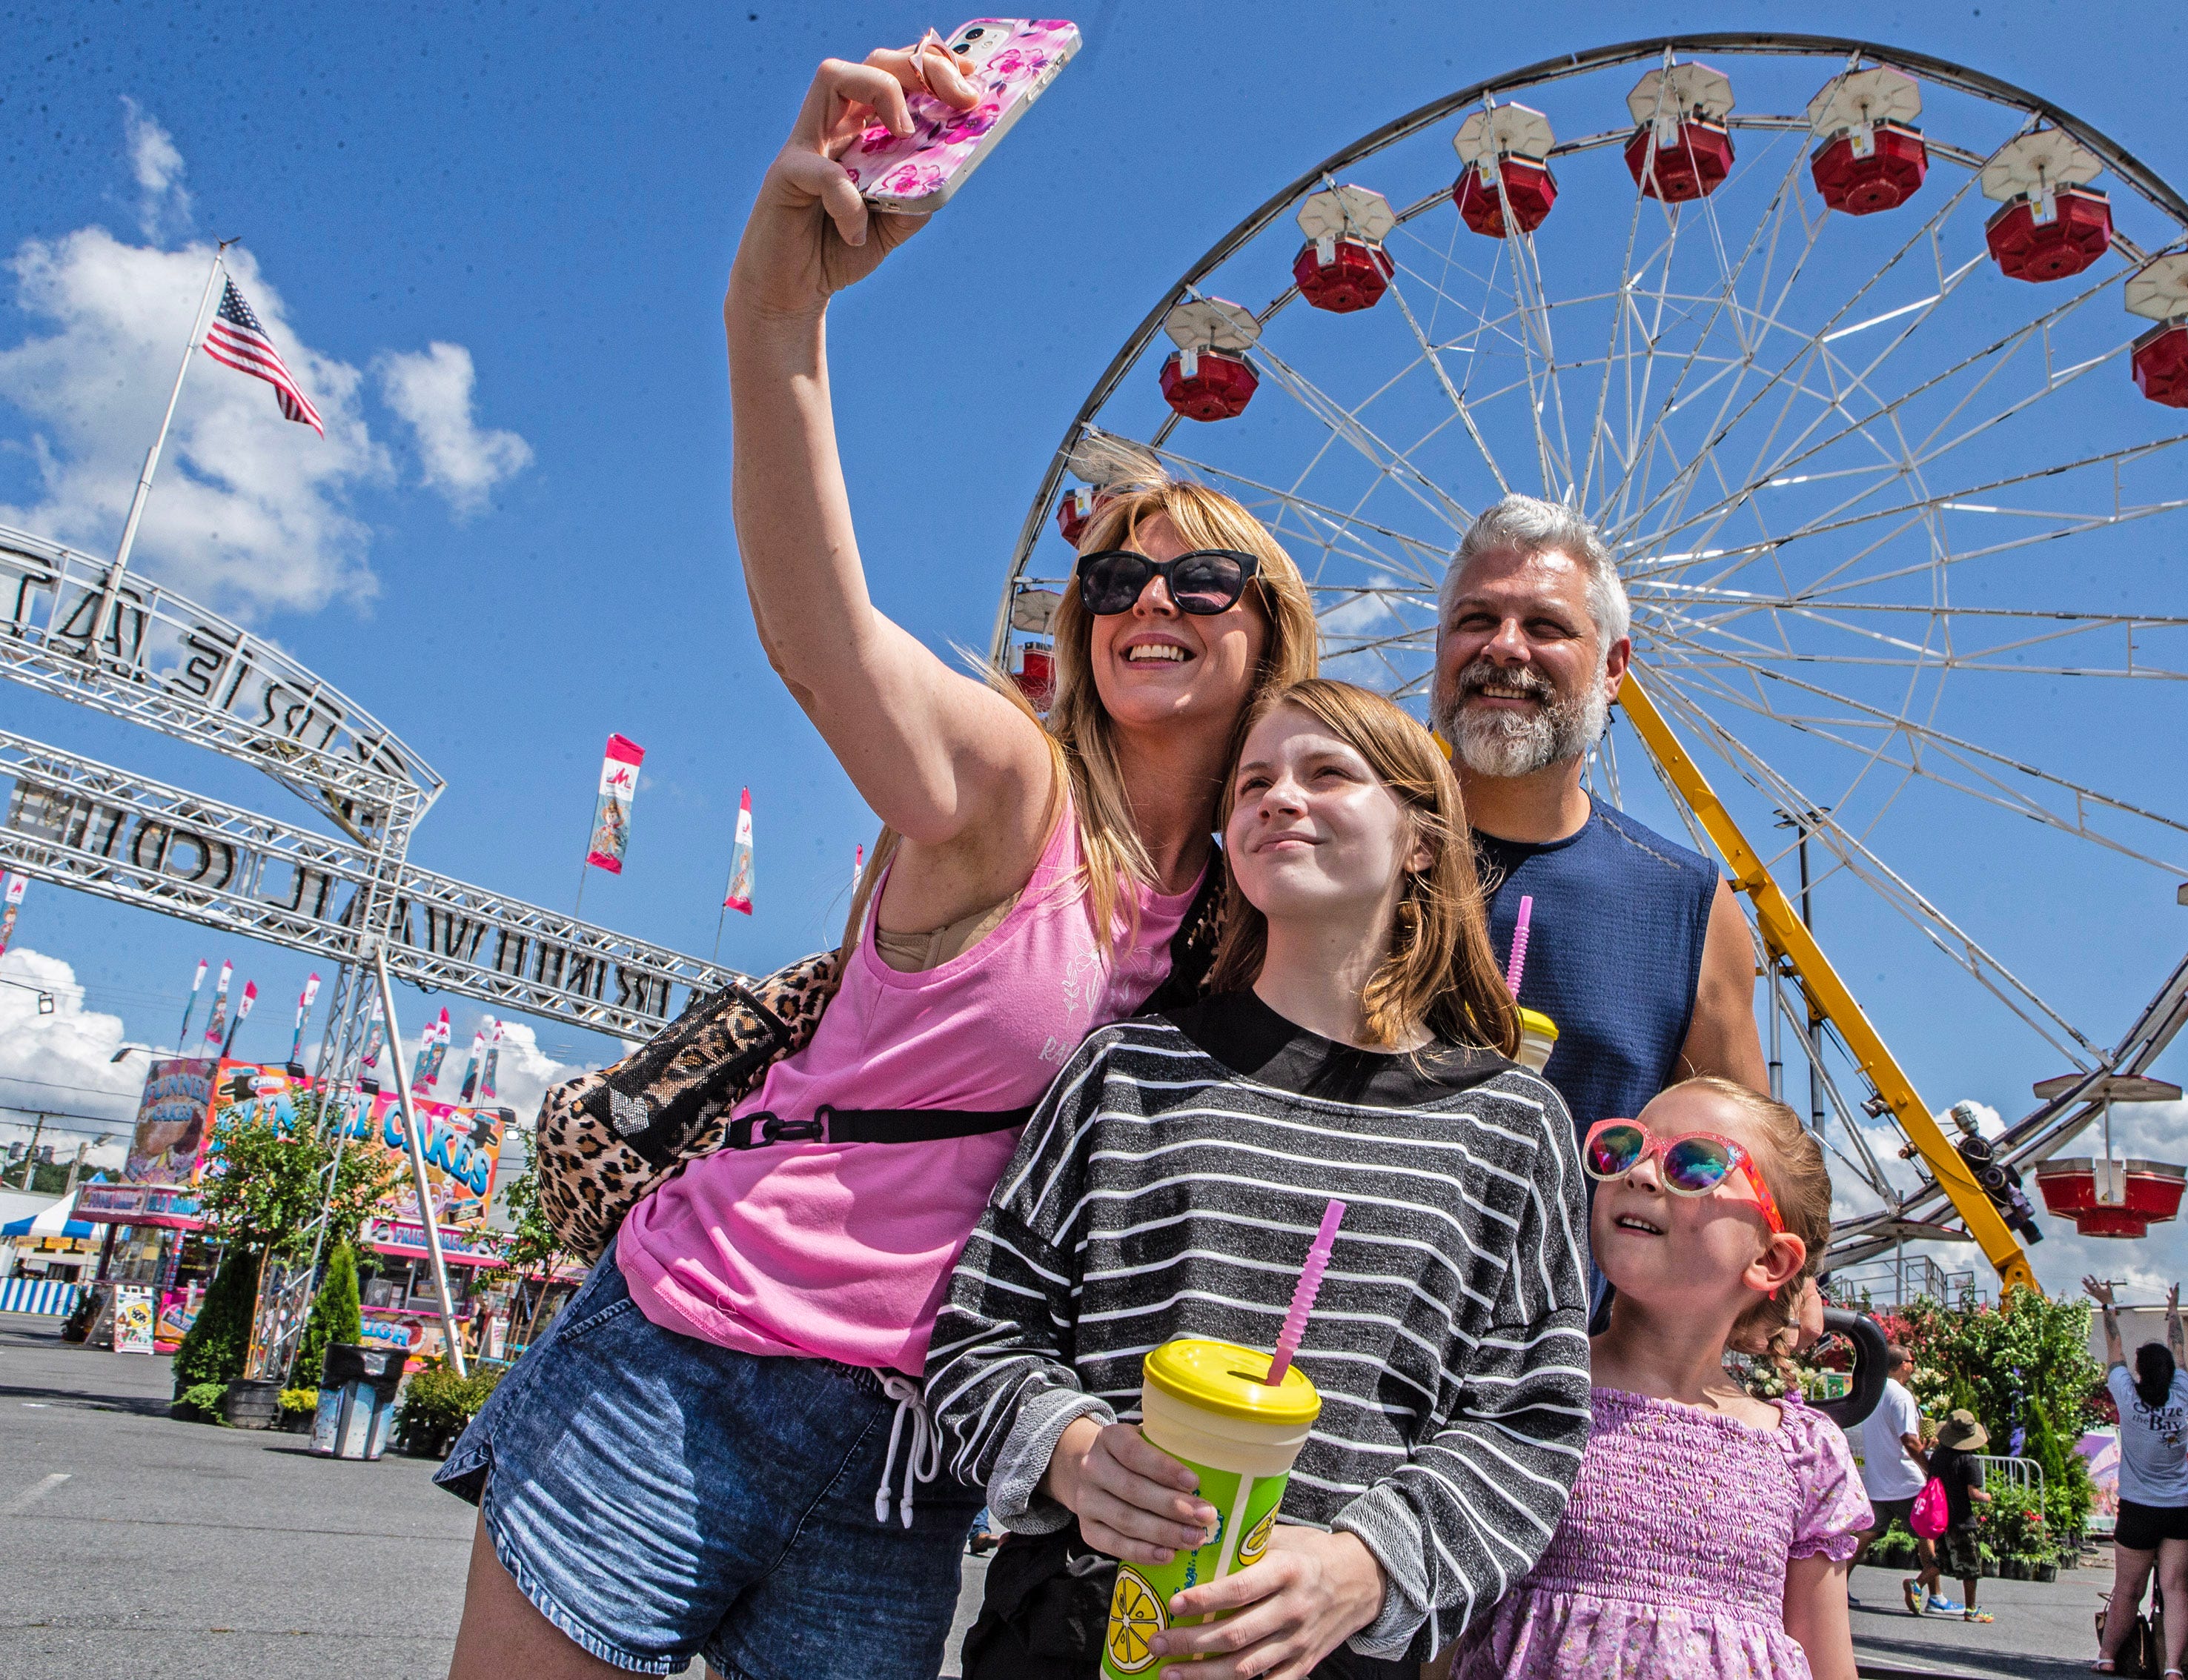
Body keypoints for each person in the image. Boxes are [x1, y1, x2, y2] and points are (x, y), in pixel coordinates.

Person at [436, 43, 1319, 1680]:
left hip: (916, 1455)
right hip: (687, 1359)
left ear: (1271, 628)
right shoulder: (1004, 785)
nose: (1148, 597)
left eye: (1203, 578)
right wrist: (776, 319)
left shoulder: (1250, 918)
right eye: (1111, 573)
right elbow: (819, 637)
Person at [928, 678, 1592, 1679]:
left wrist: (1366, 1564)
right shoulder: (1127, 1072)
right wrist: (1073, 1451)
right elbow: (979, 1333)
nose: (1279, 798)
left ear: (1421, 838)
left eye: (1327, 773)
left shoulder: (1509, 1123)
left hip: (1326, 1657)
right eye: (1251, 785)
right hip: (1075, 1632)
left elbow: (1531, 1422)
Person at [1453, 1076, 1866, 1680]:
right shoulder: (1521, 1385)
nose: (1641, 1175)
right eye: (1625, 1148)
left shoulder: (1804, 1455)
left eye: (1693, 1164)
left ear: (1770, 1259)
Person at [1431, 496, 1767, 1143]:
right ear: (1441, 645)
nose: (1504, 647)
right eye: (1475, 619)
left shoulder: (1687, 907)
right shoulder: (1341, 849)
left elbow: (1738, 1166)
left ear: (1614, 667)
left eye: (1545, 627)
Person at [2086, 1278, 2188, 1679]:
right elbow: (2181, 1353)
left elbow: (2114, 1349)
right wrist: (2173, 1312)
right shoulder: (2183, 1393)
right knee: (2176, 1589)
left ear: (2140, 1370)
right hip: (2184, 1507)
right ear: (2170, 1371)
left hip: (2139, 1507)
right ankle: (2172, 1667)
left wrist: (2108, 1305)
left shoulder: (2127, 1396)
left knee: (2128, 1590)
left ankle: (2107, 1655)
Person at [1909, 1412, 1995, 1624]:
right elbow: (1972, 1493)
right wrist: (1987, 1497)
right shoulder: (1968, 1461)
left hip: (1942, 1518)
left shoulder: (1938, 1456)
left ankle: (1917, 1585)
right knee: (1970, 1567)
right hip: (1962, 1520)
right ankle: (1971, 1609)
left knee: (1944, 1560)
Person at [1856, 1343, 1929, 1570]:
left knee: (1866, 1533)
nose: (1913, 1368)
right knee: (1926, 1532)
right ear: (1902, 1365)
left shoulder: (1873, 1391)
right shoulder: (1901, 1396)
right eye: (1912, 1362)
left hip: (1878, 1481)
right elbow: (1909, 1440)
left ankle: (1840, 1587)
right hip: (1906, 1481)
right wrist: (1929, 1467)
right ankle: (1935, 1595)